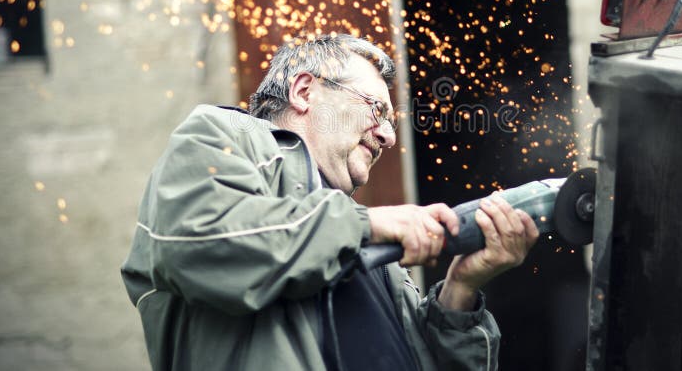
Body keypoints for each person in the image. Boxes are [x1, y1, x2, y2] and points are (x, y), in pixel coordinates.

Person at [121, 33, 539, 370]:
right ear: (305, 91)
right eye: (376, 109)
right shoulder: (222, 135)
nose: (389, 136)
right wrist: (368, 226)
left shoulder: (362, 241)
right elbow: (200, 243)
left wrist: (461, 290)